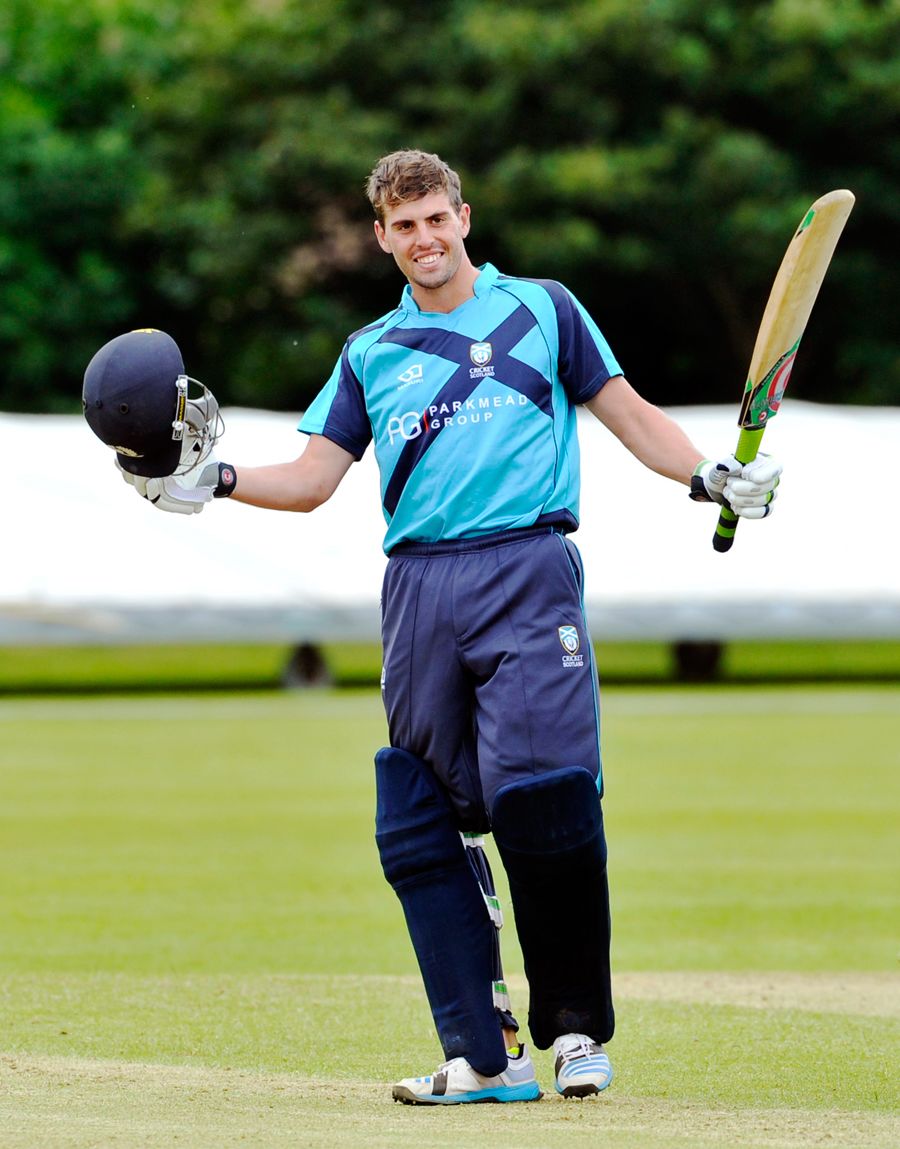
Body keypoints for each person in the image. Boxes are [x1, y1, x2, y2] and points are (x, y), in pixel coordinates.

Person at [83, 149, 781, 1105]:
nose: (424, 239)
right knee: (418, 817)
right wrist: (217, 480)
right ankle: (483, 1057)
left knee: (546, 797)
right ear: (382, 237)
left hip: (527, 571)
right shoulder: (371, 351)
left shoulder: (544, 309)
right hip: (417, 587)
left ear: (464, 216)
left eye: (436, 219)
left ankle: (575, 1033)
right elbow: (315, 477)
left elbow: (630, 415)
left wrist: (707, 473)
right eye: (403, 227)